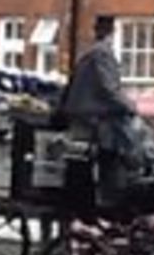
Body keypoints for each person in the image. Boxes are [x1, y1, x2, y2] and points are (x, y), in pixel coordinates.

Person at [60, 16, 140, 206]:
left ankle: (101, 196)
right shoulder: (103, 54)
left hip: (83, 114)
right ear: (112, 33)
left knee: (86, 161)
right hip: (93, 118)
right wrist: (131, 106)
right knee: (117, 149)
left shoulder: (90, 53)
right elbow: (109, 88)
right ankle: (112, 197)